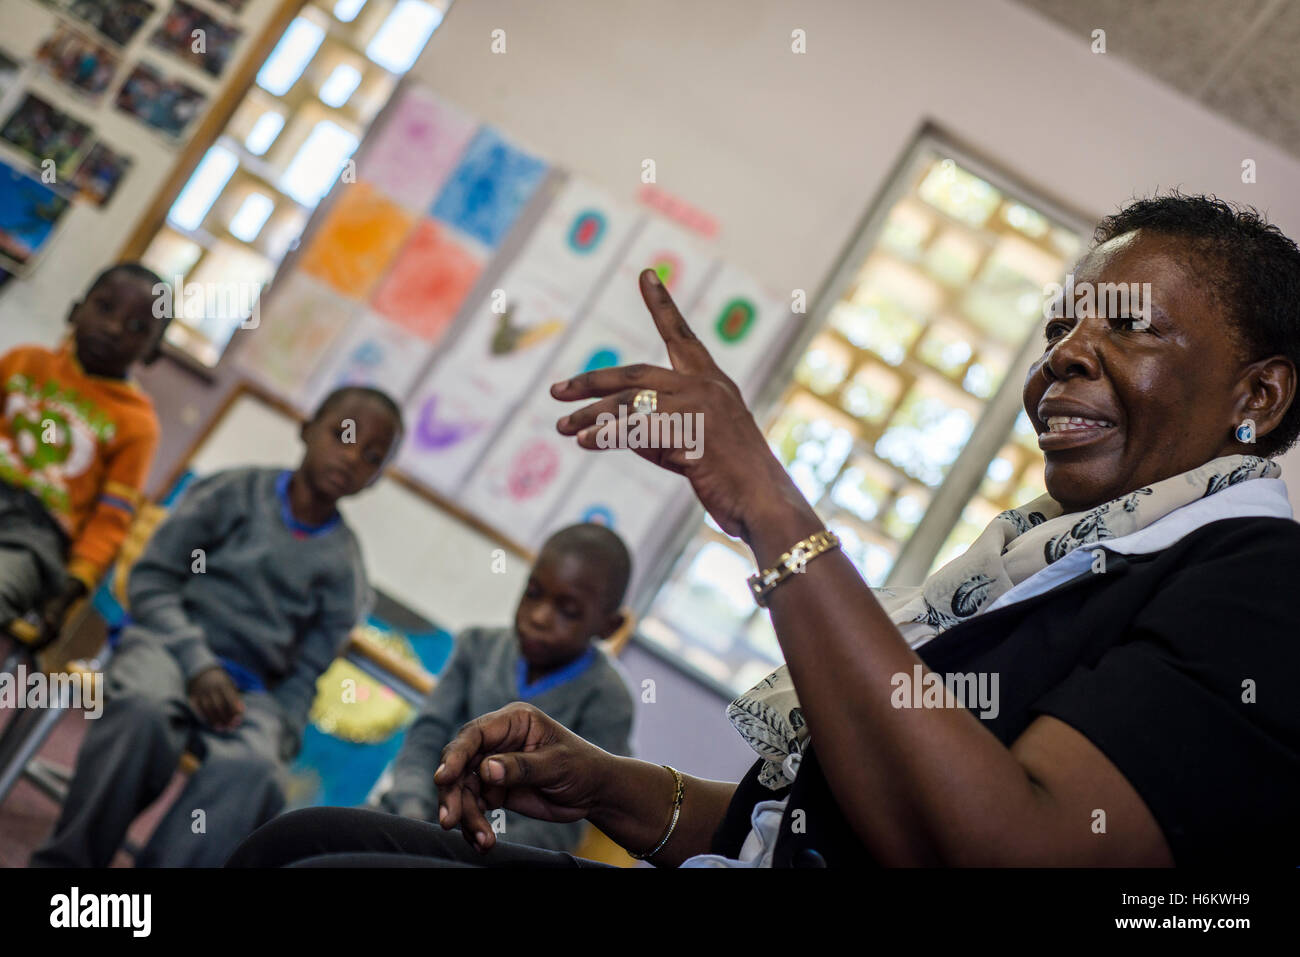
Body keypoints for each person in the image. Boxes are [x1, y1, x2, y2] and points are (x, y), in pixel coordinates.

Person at [229, 192, 1300, 868]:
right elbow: (796, 824)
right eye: (1060, 322)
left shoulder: (1255, 586)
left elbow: (1006, 846)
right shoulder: (1035, 557)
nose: (1065, 352)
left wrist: (768, 509)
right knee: (308, 841)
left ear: (1258, 394)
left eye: (1126, 324)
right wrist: (600, 779)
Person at [31, 386, 404, 868]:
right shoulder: (232, 493)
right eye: (341, 435)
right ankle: (68, 866)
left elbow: (305, 674)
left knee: (254, 772)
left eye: (371, 456)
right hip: (169, 645)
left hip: (251, 695)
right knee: (142, 711)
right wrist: (197, 663)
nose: (350, 457)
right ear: (307, 429)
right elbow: (153, 579)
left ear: (376, 479)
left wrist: (278, 736)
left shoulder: (345, 571)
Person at [375, 523, 635, 852]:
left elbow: (566, 824)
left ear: (609, 626)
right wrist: (413, 809)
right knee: (317, 838)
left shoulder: (607, 700)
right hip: (414, 817)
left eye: (568, 611)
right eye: (533, 593)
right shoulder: (477, 646)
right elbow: (427, 735)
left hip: (498, 855)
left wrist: (465, 844)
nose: (539, 617)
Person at [0, 263, 166, 644]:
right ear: (76, 310)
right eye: (104, 308)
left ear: (153, 353)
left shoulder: (136, 424)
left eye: (138, 328)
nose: (113, 329)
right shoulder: (25, 362)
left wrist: (72, 588)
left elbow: (111, 519)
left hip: (35, 536)